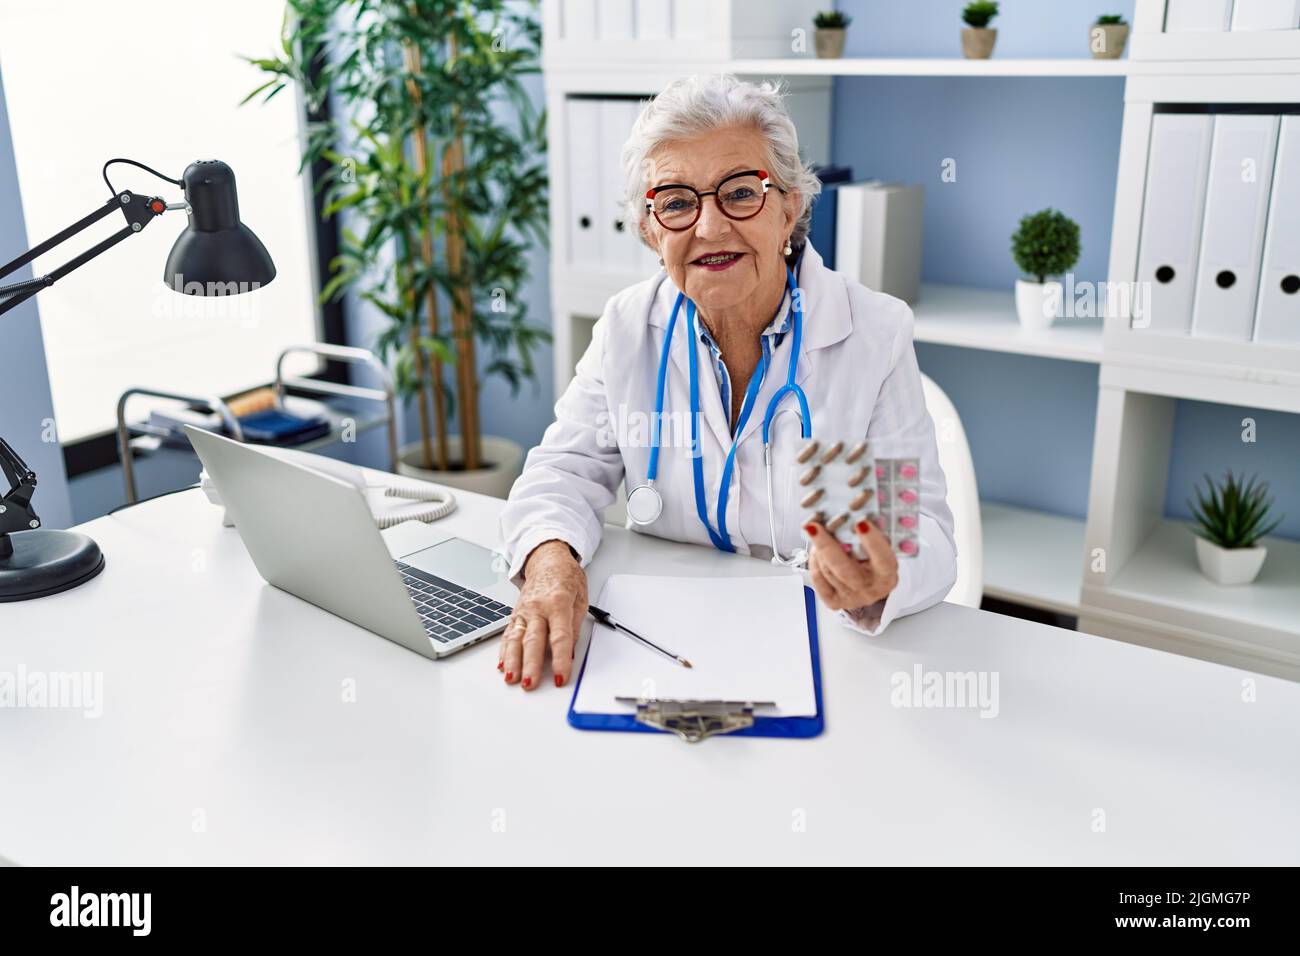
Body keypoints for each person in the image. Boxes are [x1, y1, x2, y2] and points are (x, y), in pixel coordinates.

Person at [497, 74, 957, 691]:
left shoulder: (874, 333)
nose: (710, 228)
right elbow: (560, 473)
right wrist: (552, 564)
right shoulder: (627, 328)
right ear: (649, 229)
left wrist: (882, 575)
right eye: (679, 202)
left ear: (790, 205)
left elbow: (919, 525)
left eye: (741, 193)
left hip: (824, 652)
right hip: (662, 649)